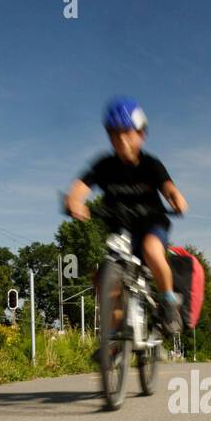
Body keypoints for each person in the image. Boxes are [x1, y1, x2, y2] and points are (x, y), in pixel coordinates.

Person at [65, 97, 187, 334]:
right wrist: (75, 200)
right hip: (120, 230)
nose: (120, 139)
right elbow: (81, 186)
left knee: (152, 251)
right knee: (102, 278)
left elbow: (168, 188)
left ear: (141, 134)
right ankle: (113, 337)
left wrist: (176, 198)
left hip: (151, 224)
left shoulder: (150, 165)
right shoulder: (105, 165)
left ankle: (168, 301)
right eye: (114, 134)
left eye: (126, 132)